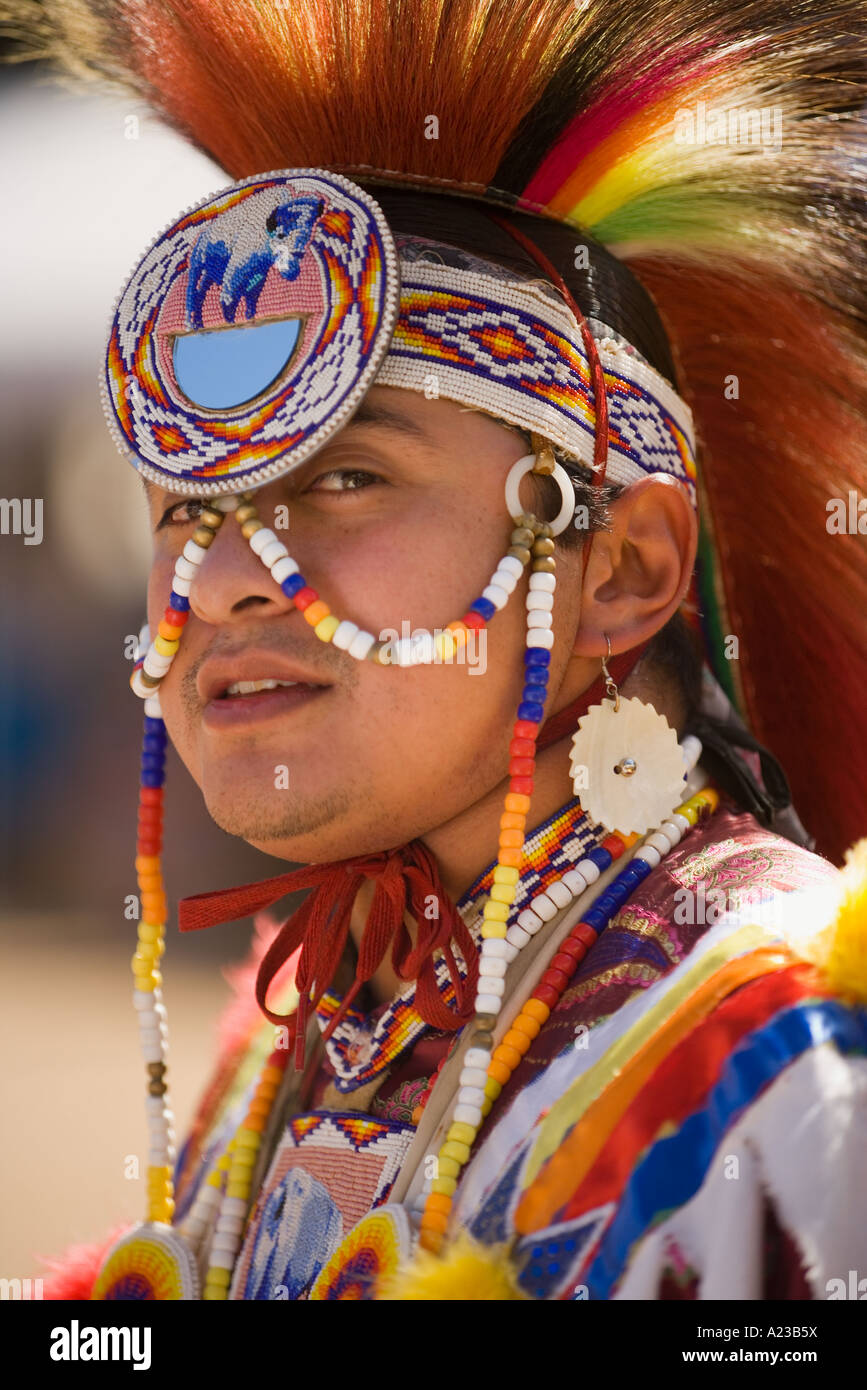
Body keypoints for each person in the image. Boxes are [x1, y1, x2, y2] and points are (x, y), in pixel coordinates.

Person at [8, 0, 866, 1301]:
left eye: (347, 475)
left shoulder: (789, 1054)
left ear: (623, 569)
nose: (230, 576)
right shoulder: (296, 1034)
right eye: (187, 505)